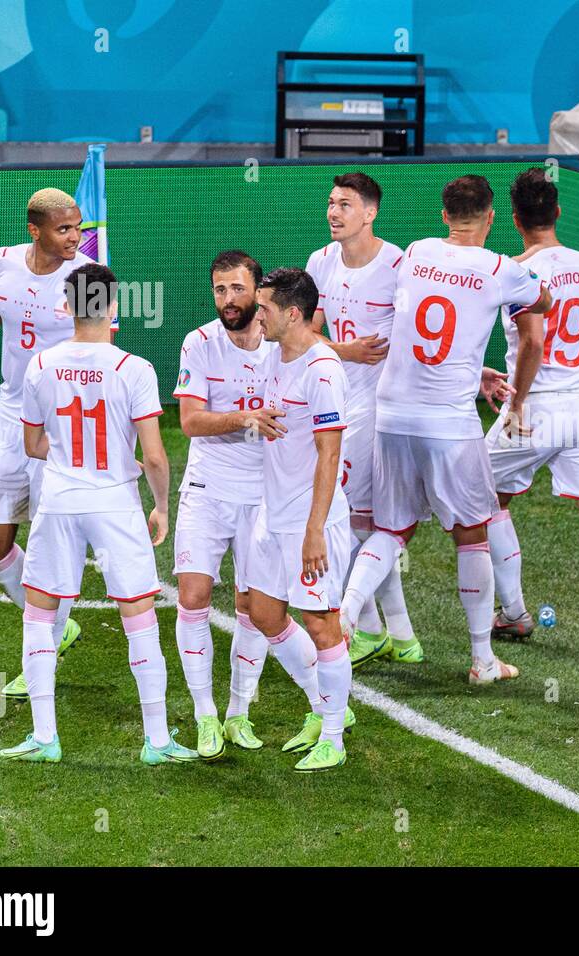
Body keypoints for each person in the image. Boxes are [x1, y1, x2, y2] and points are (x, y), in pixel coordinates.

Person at [339, 174, 551, 684]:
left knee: (392, 528)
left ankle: (347, 609)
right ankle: (482, 659)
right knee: (472, 532)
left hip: (391, 412)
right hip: (449, 421)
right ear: (492, 217)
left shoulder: (416, 251)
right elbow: (540, 302)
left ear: (443, 215)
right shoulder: (500, 268)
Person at [0, 263, 195, 765]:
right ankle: (156, 740)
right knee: (139, 617)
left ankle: (45, 737)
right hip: (114, 503)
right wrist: (161, 506)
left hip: (59, 502)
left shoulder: (39, 365)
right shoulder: (135, 368)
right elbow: (154, 456)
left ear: (65, 307)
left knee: (40, 616)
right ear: (113, 308)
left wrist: (70, 453)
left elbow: (33, 445)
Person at [0, 188, 104, 702]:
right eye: (65, 229)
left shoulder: (89, 275)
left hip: (62, 424)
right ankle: (57, 625)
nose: (77, 237)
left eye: (78, 227)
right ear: (35, 230)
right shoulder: (0, 264)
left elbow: (102, 354)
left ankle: (43, 648)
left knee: (53, 539)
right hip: (12, 414)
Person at [486, 167, 579, 661]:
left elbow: (534, 341)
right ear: (557, 213)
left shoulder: (514, 270)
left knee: (483, 498)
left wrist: (518, 401)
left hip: (534, 409)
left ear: (515, 220)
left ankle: (513, 613)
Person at [170, 250, 294, 758]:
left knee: (251, 607)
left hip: (264, 496)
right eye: (219, 290)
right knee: (194, 596)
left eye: (237, 289)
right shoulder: (198, 343)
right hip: (207, 489)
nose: (227, 300)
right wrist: (246, 418)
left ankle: (238, 713)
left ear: (257, 290)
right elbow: (191, 422)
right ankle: (204, 715)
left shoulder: (283, 347)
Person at [305, 173, 421, 670]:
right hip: (335, 401)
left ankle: (354, 622)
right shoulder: (319, 262)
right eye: (331, 203)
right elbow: (305, 333)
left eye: (345, 205)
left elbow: (410, 343)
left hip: (382, 409)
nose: (334, 212)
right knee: (364, 523)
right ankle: (394, 634)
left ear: (370, 213)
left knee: (367, 523)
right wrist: (345, 350)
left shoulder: (398, 265)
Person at [243, 268, 355, 772]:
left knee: (321, 623)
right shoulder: (273, 355)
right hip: (274, 514)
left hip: (314, 522)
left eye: (264, 307)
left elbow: (329, 454)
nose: (255, 314)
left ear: (292, 313)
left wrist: (315, 530)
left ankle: (333, 735)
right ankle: (324, 705)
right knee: (262, 612)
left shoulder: (323, 371)